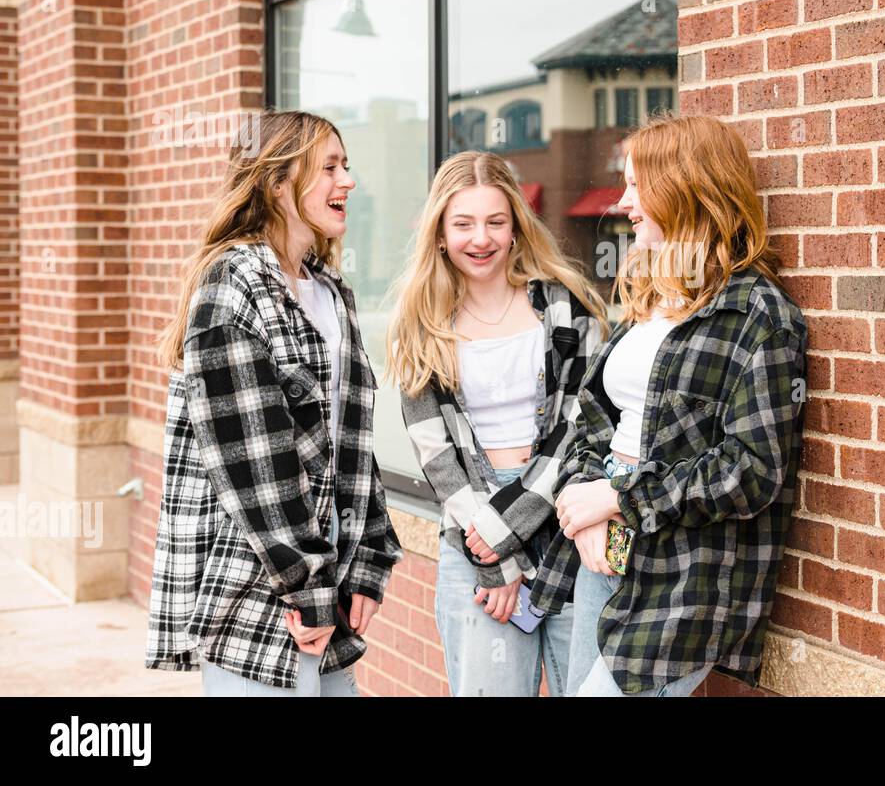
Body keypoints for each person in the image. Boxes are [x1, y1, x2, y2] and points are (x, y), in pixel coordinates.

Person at [529, 114, 809, 697]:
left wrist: (619, 498)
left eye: (637, 186)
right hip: (602, 550)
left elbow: (752, 471)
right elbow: (592, 419)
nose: (624, 202)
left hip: (681, 578)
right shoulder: (650, 300)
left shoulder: (756, 315)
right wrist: (584, 508)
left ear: (685, 188)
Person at [147, 109, 403, 696]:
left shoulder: (330, 292)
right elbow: (252, 466)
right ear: (278, 181)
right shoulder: (231, 285)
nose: (349, 181)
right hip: (260, 573)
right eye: (330, 168)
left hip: (324, 567)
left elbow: (351, 445)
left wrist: (366, 561)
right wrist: (307, 584)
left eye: (347, 165)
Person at [389, 150, 607, 696]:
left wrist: (504, 532)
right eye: (463, 223)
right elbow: (435, 455)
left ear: (516, 228)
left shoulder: (566, 309)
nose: (480, 238)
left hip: (568, 527)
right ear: (439, 232)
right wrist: (491, 554)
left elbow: (584, 427)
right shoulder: (422, 325)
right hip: (470, 532)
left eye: (495, 221)